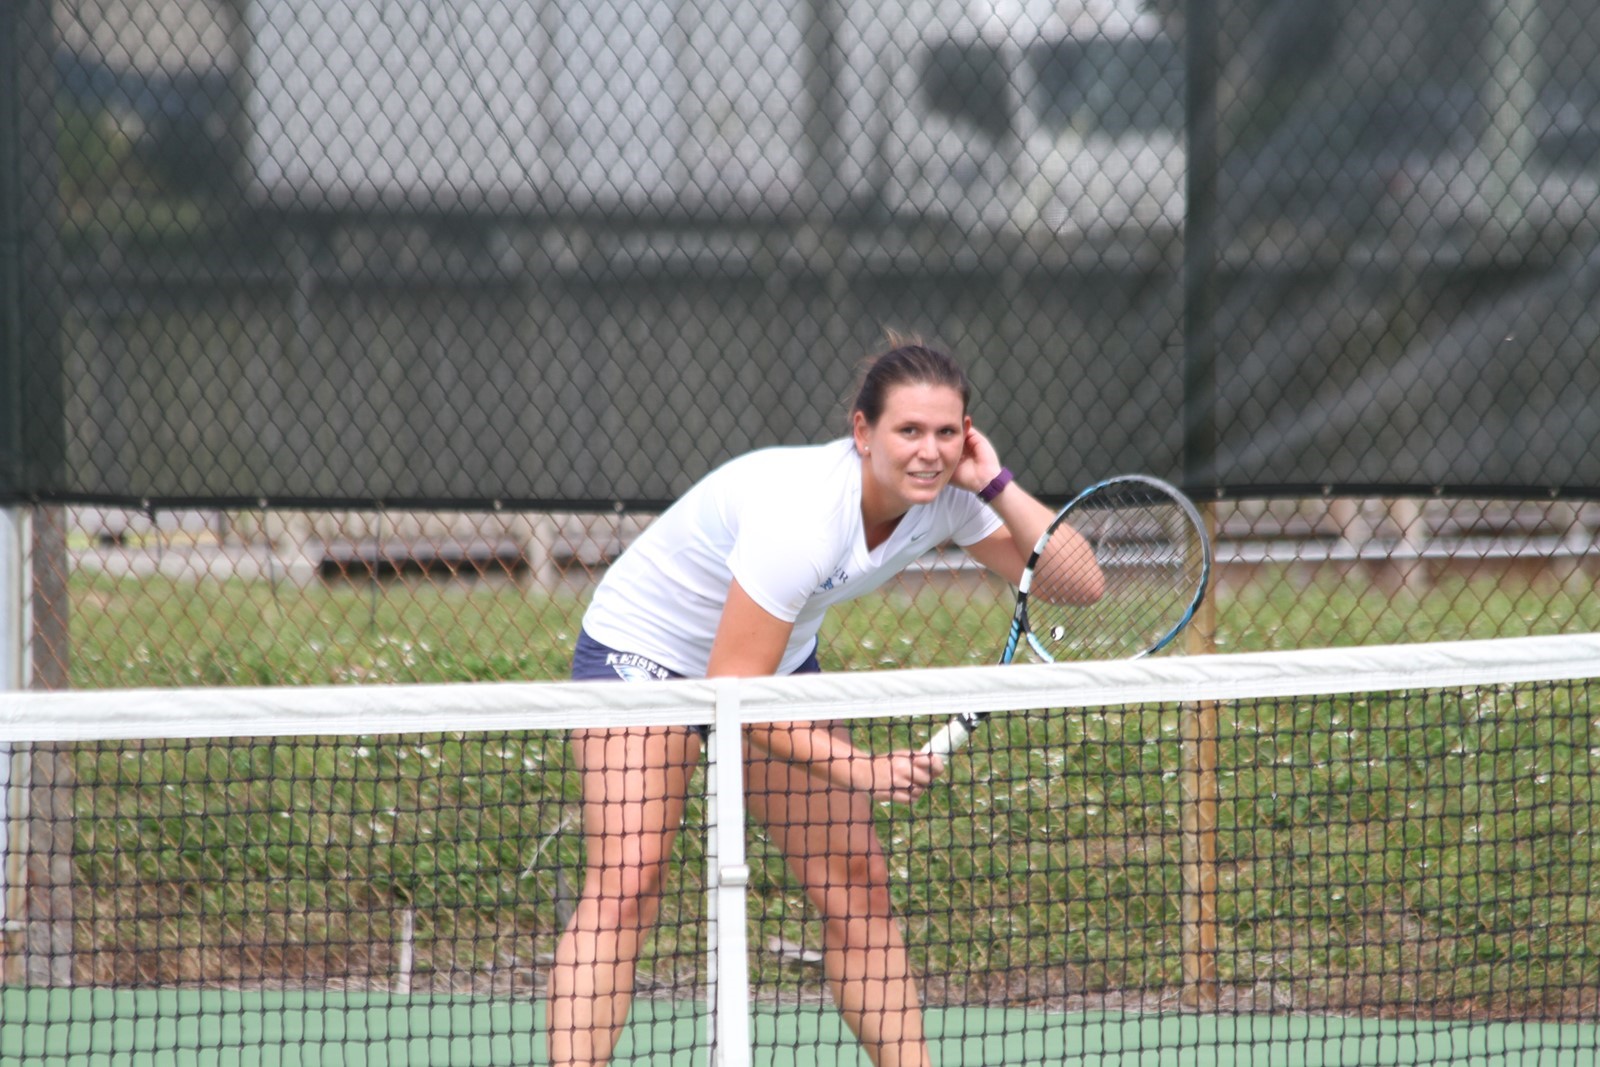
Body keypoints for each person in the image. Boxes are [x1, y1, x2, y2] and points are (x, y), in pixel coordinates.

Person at [547, 338, 1104, 1067]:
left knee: (858, 884)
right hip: (645, 655)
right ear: (863, 432)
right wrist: (861, 768)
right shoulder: (804, 517)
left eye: (946, 432)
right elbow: (732, 689)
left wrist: (995, 480)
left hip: (765, 656)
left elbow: (1080, 584)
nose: (929, 452)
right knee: (630, 881)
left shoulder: (952, 496)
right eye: (909, 431)